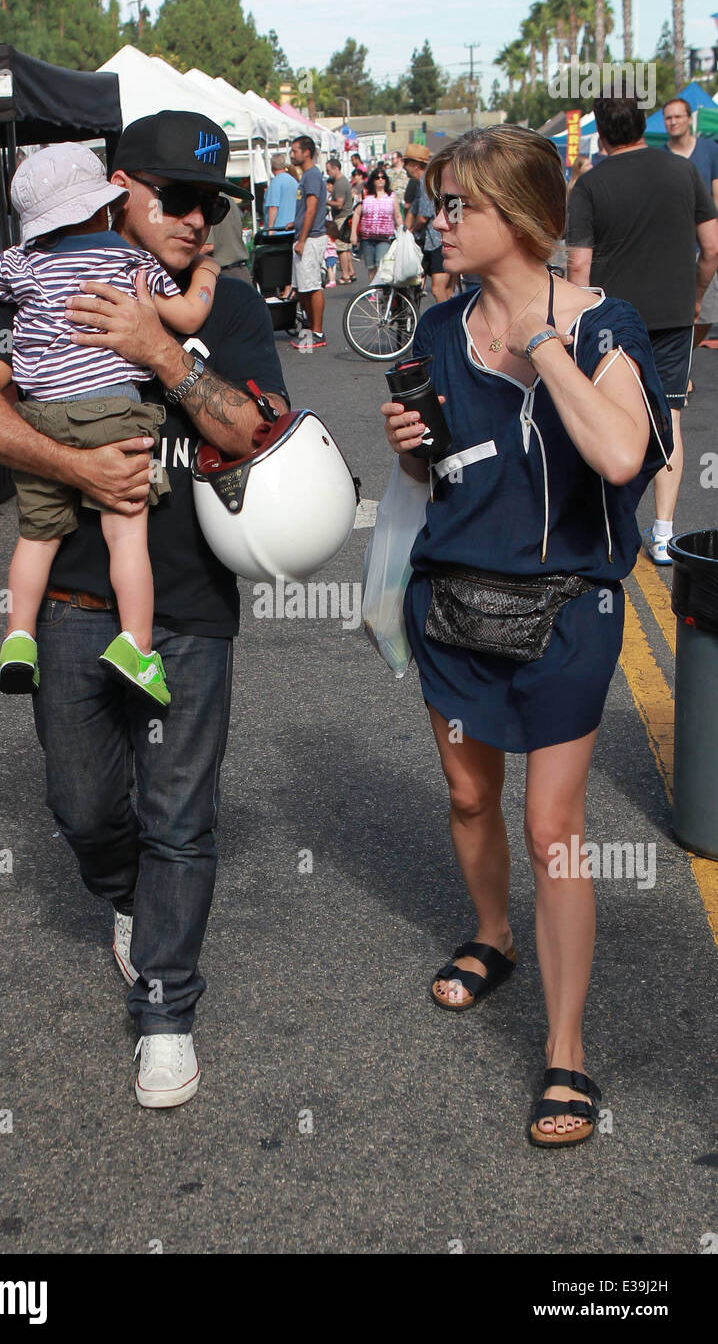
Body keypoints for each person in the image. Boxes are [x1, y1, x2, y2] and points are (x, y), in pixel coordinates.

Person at [0, 110, 290, 1110]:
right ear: (120, 187)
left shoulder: (225, 304)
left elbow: (257, 430)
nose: (195, 221)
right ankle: (126, 898)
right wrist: (74, 464)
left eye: (211, 207)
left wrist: (162, 349)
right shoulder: (55, 267)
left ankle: (168, 1012)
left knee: (181, 816)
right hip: (76, 601)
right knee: (83, 803)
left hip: (188, 603)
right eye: (176, 199)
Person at [383, 125, 672, 1147]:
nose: (438, 222)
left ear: (517, 216)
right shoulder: (435, 331)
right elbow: (433, 483)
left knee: (554, 826)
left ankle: (566, 1049)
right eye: (438, 205)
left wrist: (540, 332)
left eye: (456, 206)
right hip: (452, 605)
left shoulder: (605, 325)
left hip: (568, 611)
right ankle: (492, 934)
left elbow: (623, 454)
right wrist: (409, 449)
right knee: (468, 791)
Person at [0, 140, 221, 705]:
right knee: (126, 531)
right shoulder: (128, 261)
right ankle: (136, 646)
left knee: (37, 535)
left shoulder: (23, 262)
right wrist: (205, 273)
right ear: (107, 207)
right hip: (111, 408)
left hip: (41, 414)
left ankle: (18, 638)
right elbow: (188, 314)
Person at [567, 97, 718, 565]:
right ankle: (664, 532)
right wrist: (694, 297)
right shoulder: (682, 171)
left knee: (603, 412)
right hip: (674, 316)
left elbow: (578, 264)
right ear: (643, 126)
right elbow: (712, 248)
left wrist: (575, 323)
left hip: (612, 319)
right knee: (668, 416)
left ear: (604, 136)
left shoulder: (590, 184)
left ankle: (606, 526)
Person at [663, 97, 718, 352]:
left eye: (677, 116)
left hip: (707, 242)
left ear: (689, 119)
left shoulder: (709, 149)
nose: (673, 122)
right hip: (674, 246)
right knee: (675, 313)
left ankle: (685, 357)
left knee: (707, 311)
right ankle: (680, 366)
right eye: (668, 118)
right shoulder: (661, 156)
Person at [289, 135, 328, 350]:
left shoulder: (312, 176)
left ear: (306, 152)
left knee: (312, 286)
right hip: (306, 235)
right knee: (304, 287)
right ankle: (311, 329)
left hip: (311, 238)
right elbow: (307, 209)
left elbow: (312, 208)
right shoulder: (307, 176)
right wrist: (294, 223)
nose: (292, 155)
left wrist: (302, 239)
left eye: (295, 151)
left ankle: (318, 332)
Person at [404, 142, 453, 303]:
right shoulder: (423, 181)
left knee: (438, 289)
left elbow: (423, 216)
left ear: (416, 165)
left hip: (437, 241)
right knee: (446, 289)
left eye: (407, 162)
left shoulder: (426, 182)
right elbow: (414, 209)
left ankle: (446, 326)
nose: (404, 166)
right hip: (435, 240)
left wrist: (410, 231)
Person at [350, 165, 402, 280]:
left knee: (381, 264)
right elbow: (357, 214)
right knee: (371, 267)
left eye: (383, 177)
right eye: (377, 178)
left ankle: (382, 291)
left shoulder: (391, 196)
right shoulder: (366, 196)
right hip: (367, 238)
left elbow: (397, 215)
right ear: (372, 180)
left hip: (384, 237)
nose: (380, 180)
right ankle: (374, 292)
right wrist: (353, 233)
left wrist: (402, 231)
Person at [209, 197, 252, 284]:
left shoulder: (211, 200)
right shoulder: (229, 199)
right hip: (241, 271)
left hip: (225, 274)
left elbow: (208, 246)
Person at [326, 157, 355, 283]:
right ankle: (350, 272)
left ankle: (345, 275)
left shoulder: (339, 183)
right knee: (347, 248)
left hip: (341, 217)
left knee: (341, 248)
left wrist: (326, 201)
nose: (328, 174)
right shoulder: (344, 181)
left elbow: (339, 204)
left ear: (335, 168)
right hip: (347, 216)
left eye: (328, 170)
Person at [264, 152, 298, 233]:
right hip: (293, 227)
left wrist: (270, 229)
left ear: (271, 165)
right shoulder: (293, 181)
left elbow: (273, 207)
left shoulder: (275, 182)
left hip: (279, 229)